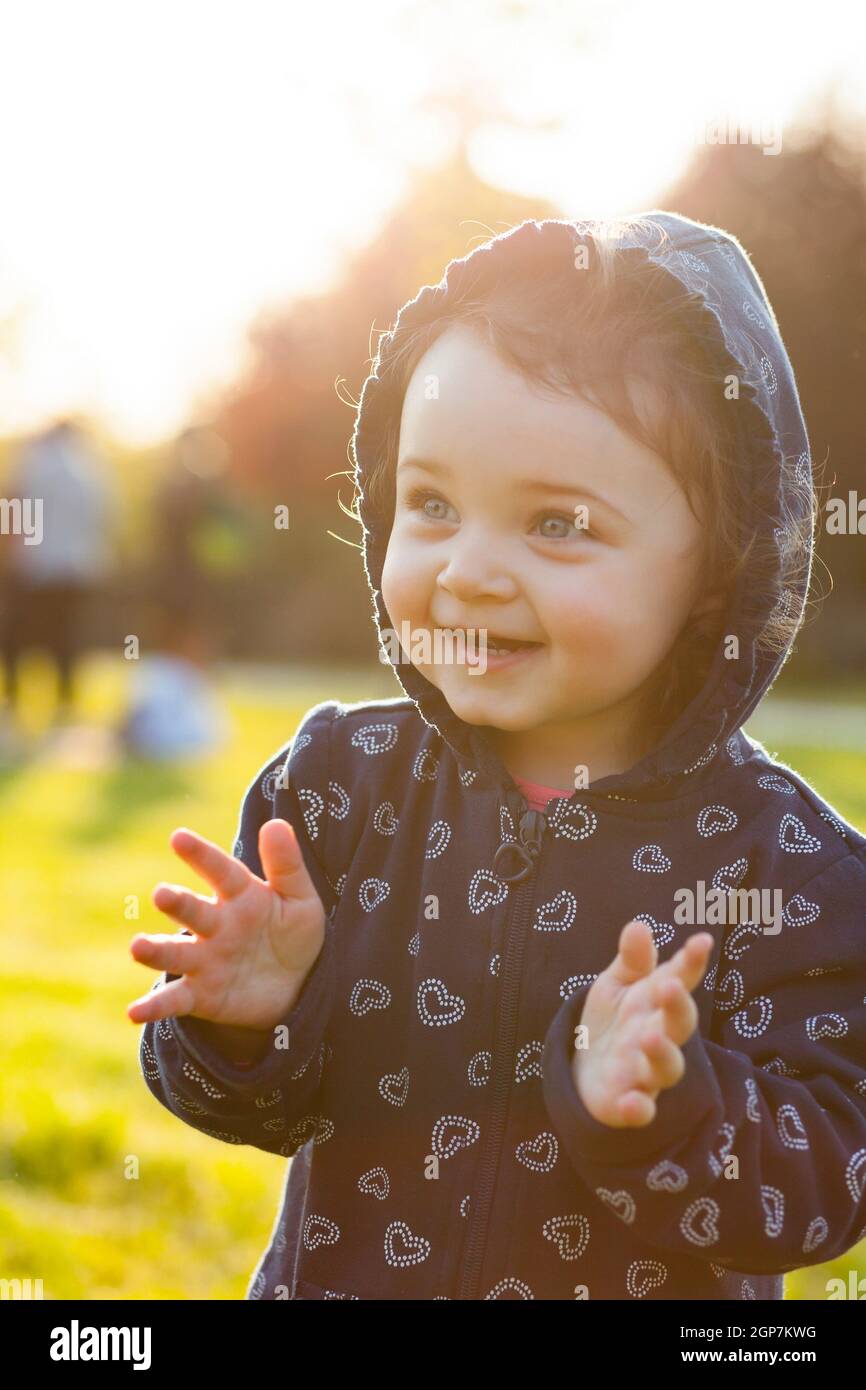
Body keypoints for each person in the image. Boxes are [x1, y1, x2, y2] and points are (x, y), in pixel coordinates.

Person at [129, 214, 866, 1301]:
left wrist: (670, 1099)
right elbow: (256, 1110)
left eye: (557, 523)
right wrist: (255, 1021)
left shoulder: (787, 868)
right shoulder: (335, 789)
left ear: (719, 567)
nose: (466, 570)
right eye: (429, 504)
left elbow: (824, 1184)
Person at [0, 416, 117, 727]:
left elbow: (17, 510)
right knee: (68, 638)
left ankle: (12, 704)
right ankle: (65, 706)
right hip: (78, 569)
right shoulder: (92, 468)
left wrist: (11, 552)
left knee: (20, 636)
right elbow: (103, 521)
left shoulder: (35, 463)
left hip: (37, 566)